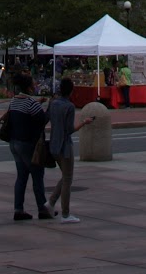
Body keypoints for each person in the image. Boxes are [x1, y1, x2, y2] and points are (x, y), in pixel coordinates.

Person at [46, 75, 97, 223]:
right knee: (68, 179)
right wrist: (84, 122)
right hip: (65, 146)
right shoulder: (69, 106)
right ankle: (66, 214)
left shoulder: (54, 103)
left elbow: (47, 118)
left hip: (53, 144)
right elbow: (69, 129)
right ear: (71, 91)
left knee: (65, 176)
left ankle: (50, 203)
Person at [6, 70, 52, 221]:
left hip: (14, 142)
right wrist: (50, 108)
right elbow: (42, 120)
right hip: (29, 144)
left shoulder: (15, 101)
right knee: (37, 176)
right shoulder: (30, 103)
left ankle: (18, 209)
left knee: (21, 177)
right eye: (33, 84)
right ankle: (43, 209)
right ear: (29, 88)